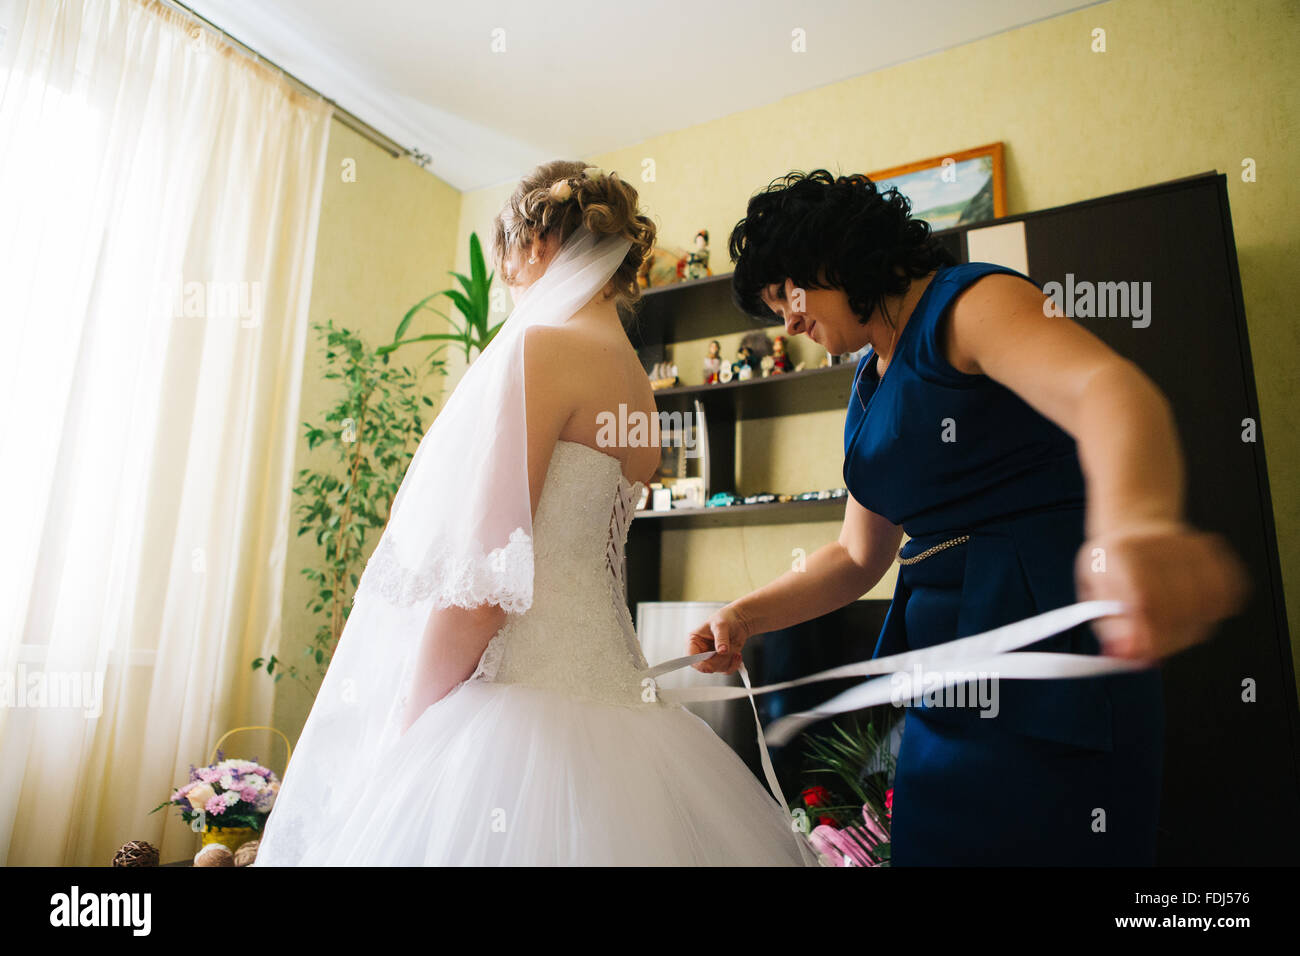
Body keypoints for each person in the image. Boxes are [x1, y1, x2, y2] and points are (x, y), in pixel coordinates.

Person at [253, 161, 816, 866]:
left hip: (515, 714)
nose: (512, 282)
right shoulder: (639, 388)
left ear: (539, 244)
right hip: (624, 714)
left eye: (511, 261)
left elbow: (488, 582)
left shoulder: (541, 349)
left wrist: (410, 729)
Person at [689, 169, 1249, 866]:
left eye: (790, 297)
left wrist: (1136, 524)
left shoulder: (970, 303)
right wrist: (745, 617)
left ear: (834, 256)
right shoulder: (868, 381)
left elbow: (1107, 391)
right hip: (944, 666)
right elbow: (858, 557)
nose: (790, 323)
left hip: (1040, 645)